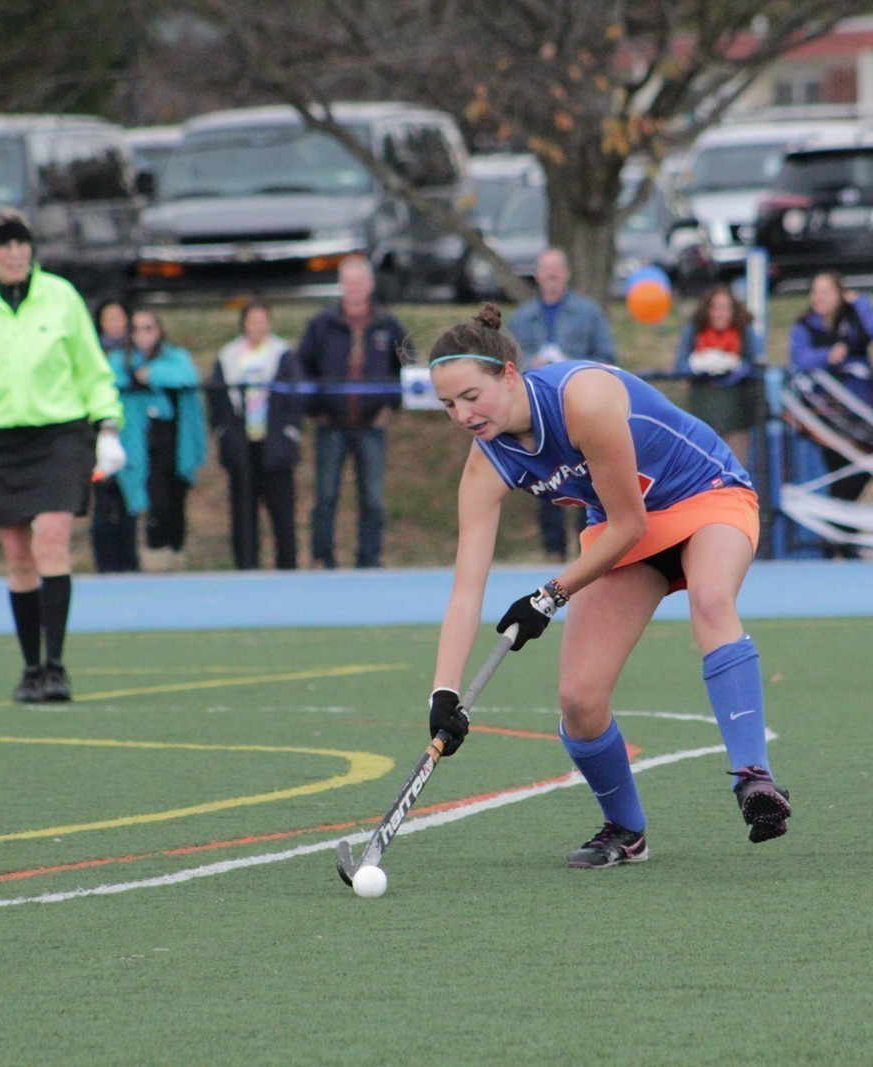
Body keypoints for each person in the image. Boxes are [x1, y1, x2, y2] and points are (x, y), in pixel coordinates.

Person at [423, 305, 791, 870]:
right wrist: (443, 695)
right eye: (449, 405)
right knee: (579, 698)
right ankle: (626, 830)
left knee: (711, 598)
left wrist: (549, 595)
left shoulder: (582, 401)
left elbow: (631, 523)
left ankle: (754, 780)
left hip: (704, 494)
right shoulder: (486, 462)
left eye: (472, 395)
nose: (463, 414)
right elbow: (466, 591)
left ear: (509, 374)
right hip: (621, 532)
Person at [0, 208, 125, 704]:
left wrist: (107, 425)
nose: (14, 253)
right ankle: (31, 667)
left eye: (21, 243)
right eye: (3, 244)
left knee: (52, 540)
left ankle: (57, 666)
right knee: (17, 557)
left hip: (58, 435)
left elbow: (91, 367)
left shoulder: (61, 297)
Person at [295, 255, 408, 569]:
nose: (355, 288)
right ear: (341, 285)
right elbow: (301, 367)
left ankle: (369, 558)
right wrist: (314, 407)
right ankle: (322, 557)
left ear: (370, 285)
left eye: (360, 282)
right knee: (326, 495)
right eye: (349, 282)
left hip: (372, 425)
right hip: (331, 425)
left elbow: (407, 369)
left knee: (372, 497)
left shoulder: (388, 325)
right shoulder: (321, 325)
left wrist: (390, 405)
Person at [507, 247, 618, 561]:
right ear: (538, 276)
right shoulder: (522, 318)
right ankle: (553, 553)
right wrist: (533, 363)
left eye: (557, 271)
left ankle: (590, 550)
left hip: (581, 411)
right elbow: (506, 366)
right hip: (541, 416)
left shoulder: (589, 313)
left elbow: (608, 359)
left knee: (590, 480)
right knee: (548, 483)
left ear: (566, 274)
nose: (552, 277)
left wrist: (573, 365)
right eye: (546, 272)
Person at [788, 271, 873, 558]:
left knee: (863, 469)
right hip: (825, 414)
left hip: (860, 410)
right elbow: (799, 358)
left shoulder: (854, 319)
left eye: (827, 291)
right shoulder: (804, 325)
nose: (820, 298)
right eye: (816, 292)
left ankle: (837, 536)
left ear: (841, 294)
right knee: (839, 470)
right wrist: (827, 356)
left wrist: (860, 302)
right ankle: (842, 541)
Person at [109, 310, 207, 572]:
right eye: (137, 329)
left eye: (148, 328)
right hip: (140, 441)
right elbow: (110, 380)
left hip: (173, 440)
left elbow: (187, 377)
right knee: (153, 500)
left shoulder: (174, 357)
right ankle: (155, 556)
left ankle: (176, 553)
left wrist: (150, 375)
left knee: (176, 499)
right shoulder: (121, 360)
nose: (143, 334)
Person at [211, 299, 303, 570]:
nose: (257, 326)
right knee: (243, 515)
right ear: (244, 324)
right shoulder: (228, 355)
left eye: (262, 321)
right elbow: (217, 401)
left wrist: (289, 431)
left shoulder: (282, 353)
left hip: (275, 447)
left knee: (283, 515)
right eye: (252, 321)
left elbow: (295, 396)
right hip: (242, 447)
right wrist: (224, 432)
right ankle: (245, 568)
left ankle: (288, 569)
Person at [672, 284, 762, 465]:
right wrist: (700, 365)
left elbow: (756, 363)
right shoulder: (695, 331)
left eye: (725, 308)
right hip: (702, 416)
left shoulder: (743, 332)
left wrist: (734, 368)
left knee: (735, 469)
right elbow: (680, 366)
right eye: (715, 308)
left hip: (737, 417)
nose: (720, 313)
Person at [89, 300, 139, 573]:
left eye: (119, 317)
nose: (114, 323)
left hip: (132, 440)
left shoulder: (138, 351)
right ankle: (104, 564)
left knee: (128, 502)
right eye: (108, 318)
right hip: (100, 440)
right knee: (103, 503)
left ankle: (129, 562)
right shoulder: (91, 352)